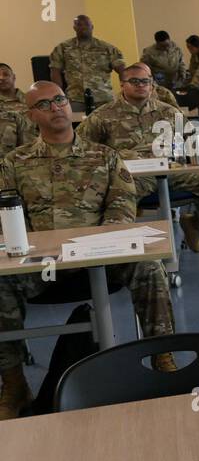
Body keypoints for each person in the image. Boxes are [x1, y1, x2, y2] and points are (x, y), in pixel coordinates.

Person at [0, 81, 178, 419]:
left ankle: (162, 358)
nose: (56, 108)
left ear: (69, 105)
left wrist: (99, 244)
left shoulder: (104, 156)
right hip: (41, 265)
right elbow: (6, 214)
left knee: (150, 267)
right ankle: (13, 384)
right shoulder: (14, 162)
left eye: (60, 100)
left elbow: (123, 203)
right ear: (31, 115)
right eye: (45, 104)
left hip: (101, 258)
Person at [78, 63, 199, 255]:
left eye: (145, 81)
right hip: (132, 177)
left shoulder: (167, 111)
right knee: (119, 207)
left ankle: (194, 224)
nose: (141, 85)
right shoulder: (102, 115)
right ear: (122, 84)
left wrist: (193, 156)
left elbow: (191, 137)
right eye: (134, 81)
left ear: (151, 85)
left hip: (170, 171)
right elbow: (80, 147)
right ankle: (129, 255)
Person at [49, 15, 126, 109]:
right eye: (79, 24)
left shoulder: (107, 48)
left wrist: (125, 92)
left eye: (86, 24)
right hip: (75, 98)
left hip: (103, 98)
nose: (83, 27)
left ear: (92, 27)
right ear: (74, 28)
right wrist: (59, 96)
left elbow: (122, 70)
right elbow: (55, 71)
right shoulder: (63, 48)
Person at [0, 63, 36, 157]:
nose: (2, 78)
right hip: (4, 159)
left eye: (6, 74)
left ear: (14, 77)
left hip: (33, 157)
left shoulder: (32, 101)